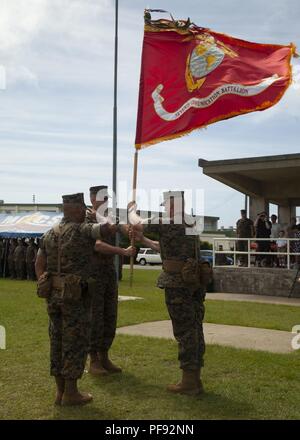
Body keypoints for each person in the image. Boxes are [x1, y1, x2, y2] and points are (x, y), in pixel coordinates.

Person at [35, 193, 119, 406]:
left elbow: (39, 262)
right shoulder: (82, 230)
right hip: (74, 298)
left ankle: (60, 392)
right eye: (83, 208)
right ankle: (71, 393)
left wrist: (45, 282)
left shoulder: (49, 234)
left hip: (53, 296)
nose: (85, 212)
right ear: (77, 209)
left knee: (57, 341)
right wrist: (99, 216)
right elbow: (109, 228)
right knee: (74, 342)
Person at [129, 191, 207, 396]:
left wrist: (131, 211)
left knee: (184, 331)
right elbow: (164, 248)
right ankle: (195, 379)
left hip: (178, 284)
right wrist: (144, 239)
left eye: (166, 205)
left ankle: (189, 383)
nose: (164, 209)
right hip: (194, 283)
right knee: (195, 327)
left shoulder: (167, 222)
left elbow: (136, 222)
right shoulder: (191, 223)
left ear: (173, 205)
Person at [86, 185, 135, 376]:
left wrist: (129, 224)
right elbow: (97, 245)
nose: (105, 200)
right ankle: (94, 360)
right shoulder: (87, 217)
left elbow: (123, 228)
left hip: (108, 273)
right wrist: (122, 251)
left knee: (110, 315)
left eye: (107, 197)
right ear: (92, 199)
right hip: (93, 273)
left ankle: (105, 355)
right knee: (95, 316)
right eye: (101, 197)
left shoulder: (110, 216)